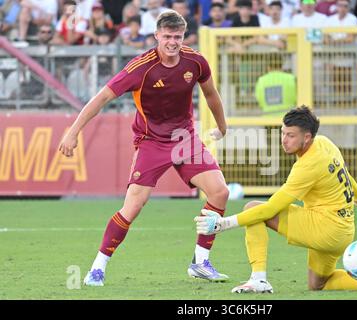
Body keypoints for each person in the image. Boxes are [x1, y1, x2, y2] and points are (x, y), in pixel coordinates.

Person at [59, 10, 230, 286]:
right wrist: (73, 131)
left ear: (183, 36)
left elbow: (211, 94)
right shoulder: (141, 67)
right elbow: (102, 97)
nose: (173, 42)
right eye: (167, 37)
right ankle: (98, 267)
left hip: (184, 139)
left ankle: (200, 262)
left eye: (178, 36)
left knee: (220, 192)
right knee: (134, 206)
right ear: (156, 36)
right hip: (151, 142)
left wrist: (223, 127)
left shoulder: (195, 61)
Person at [195, 106, 357, 293]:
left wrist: (223, 224)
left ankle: (258, 279)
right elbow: (344, 173)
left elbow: (270, 208)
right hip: (344, 231)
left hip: (324, 227)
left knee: (254, 209)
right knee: (318, 284)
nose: (284, 140)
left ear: (307, 137)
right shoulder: (326, 143)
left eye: (291, 135)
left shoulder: (307, 165)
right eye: (283, 133)